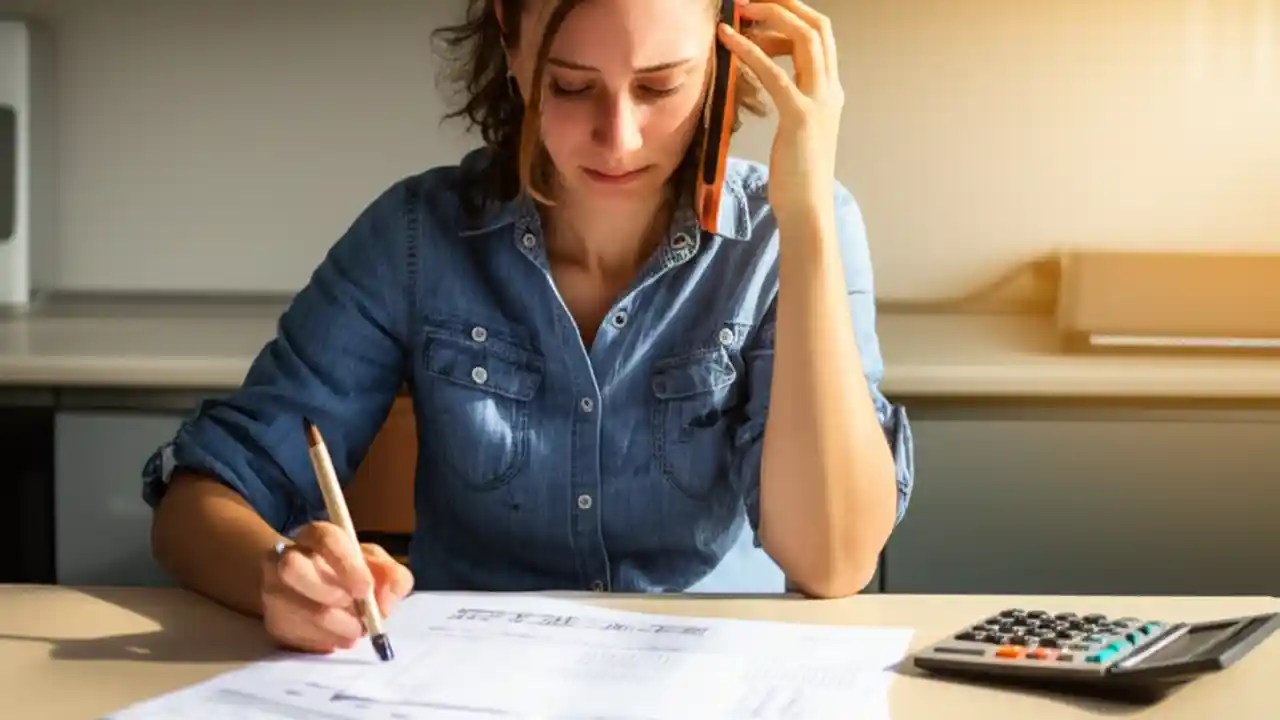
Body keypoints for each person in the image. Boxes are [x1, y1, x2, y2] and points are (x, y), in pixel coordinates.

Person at [144, 0, 915, 655]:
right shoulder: (415, 239)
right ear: (512, 47)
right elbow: (201, 500)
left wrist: (806, 213)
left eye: (660, 87)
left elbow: (834, 559)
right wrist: (276, 572)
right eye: (573, 87)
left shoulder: (793, 229)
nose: (620, 138)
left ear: (725, 59)